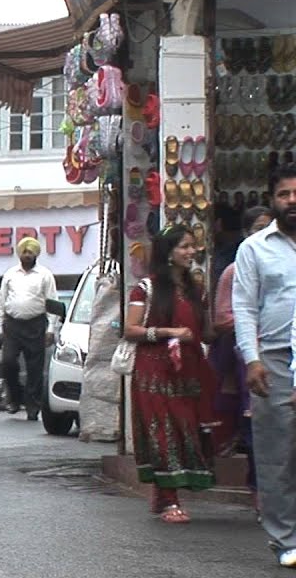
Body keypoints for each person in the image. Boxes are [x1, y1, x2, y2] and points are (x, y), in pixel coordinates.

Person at [123, 224, 218, 525]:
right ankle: (170, 500)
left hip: (187, 370)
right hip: (154, 370)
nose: (192, 252)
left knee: (185, 428)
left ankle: (162, 492)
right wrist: (168, 332)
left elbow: (203, 331)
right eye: (185, 247)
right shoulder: (146, 289)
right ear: (169, 252)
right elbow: (130, 330)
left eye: (193, 247)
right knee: (162, 431)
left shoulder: (195, 290)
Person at [233, 163, 296, 567]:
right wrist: (252, 360)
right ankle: (285, 540)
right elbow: (243, 308)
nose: (293, 201)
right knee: (276, 455)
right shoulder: (254, 248)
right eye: (285, 194)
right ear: (272, 201)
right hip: (273, 361)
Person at [211, 205, 272, 508]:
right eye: (258, 228)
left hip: (285, 354)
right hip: (250, 358)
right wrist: (256, 321)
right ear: (247, 233)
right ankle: (260, 494)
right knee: (256, 431)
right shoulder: (234, 271)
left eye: (268, 227)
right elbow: (220, 320)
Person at [0, 237, 58, 421]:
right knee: (8, 362)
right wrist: (0, 326)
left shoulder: (45, 275)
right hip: (12, 325)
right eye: (24, 251)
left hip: (35, 325)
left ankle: (33, 406)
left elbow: (52, 302)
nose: (27, 255)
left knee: (35, 369)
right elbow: (2, 301)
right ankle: (14, 398)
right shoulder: (10, 274)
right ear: (19, 253)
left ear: (36, 255)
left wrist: (51, 329)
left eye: (30, 252)